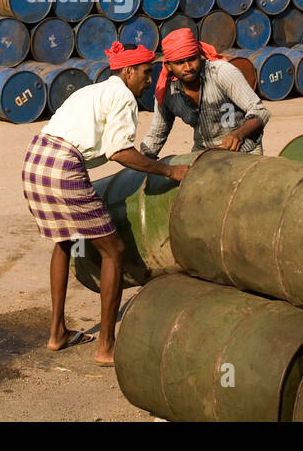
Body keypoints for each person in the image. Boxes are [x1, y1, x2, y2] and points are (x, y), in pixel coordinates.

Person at [21, 41, 188, 366]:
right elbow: (119, 152)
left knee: (65, 241)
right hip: (62, 168)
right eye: (145, 71)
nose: (148, 79)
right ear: (127, 70)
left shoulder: (91, 90)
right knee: (113, 251)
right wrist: (170, 170)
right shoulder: (123, 97)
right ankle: (106, 346)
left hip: (35, 160)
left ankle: (57, 333)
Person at [140, 28, 270, 157]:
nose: (188, 67)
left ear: (199, 55)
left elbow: (259, 111)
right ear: (168, 65)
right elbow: (157, 133)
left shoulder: (221, 73)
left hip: (244, 150)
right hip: (204, 154)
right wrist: (142, 162)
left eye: (192, 59)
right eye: (179, 63)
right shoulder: (166, 91)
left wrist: (238, 134)